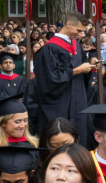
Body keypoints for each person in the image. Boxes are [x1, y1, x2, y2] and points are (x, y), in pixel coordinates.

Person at [31, 12, 97, 141]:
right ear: (68, 24)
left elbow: (82, 72)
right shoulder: (50, 48)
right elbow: (50, 78)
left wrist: (89, 67)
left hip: (78, 102)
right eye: (78, 30)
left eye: (82, 31)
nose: (80, 34)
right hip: (60, 103)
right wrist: (77, 70)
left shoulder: (77, 45)